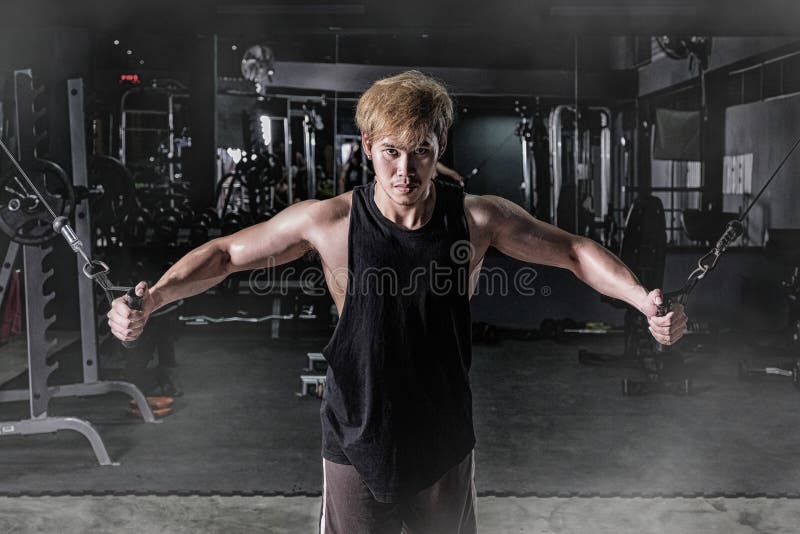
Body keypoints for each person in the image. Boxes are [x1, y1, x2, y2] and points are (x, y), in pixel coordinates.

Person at [108, 70, 687, 533]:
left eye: (420, 152)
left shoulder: (475, 219)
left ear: (439, 150)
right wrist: (154, 298)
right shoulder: (331, 223)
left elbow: (574, 252)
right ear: (367, 146)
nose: (405, 169)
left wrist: (644, 301)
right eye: (390, 152)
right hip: (355, 435)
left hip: (443, 435)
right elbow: (227, 255)